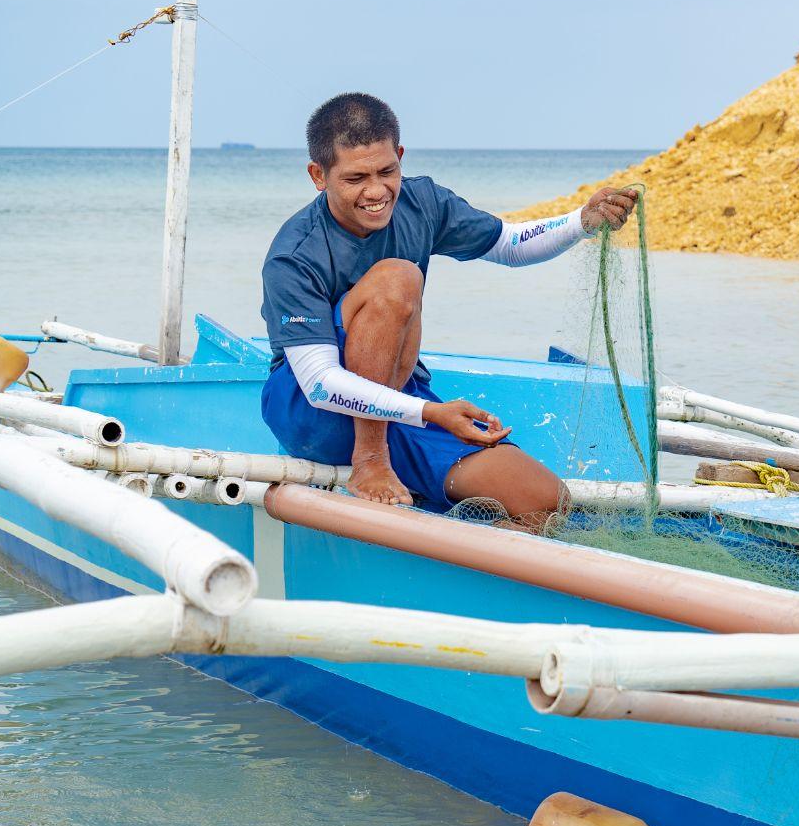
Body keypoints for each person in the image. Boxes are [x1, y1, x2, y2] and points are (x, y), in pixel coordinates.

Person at [258, 93, 638, 523]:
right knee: (398, 277)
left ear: (400, 156)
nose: (376, 191)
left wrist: (580, 223)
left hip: (398, 400)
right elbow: (321, 385)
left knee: (546, 502)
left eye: (387, 171)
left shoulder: (423, 203)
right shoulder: (293, 254)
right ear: (318, 175)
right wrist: (432, 414)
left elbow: (509, 245)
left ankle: (442, 528)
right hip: (313, 413)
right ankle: (370, 461)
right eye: (355, 178)